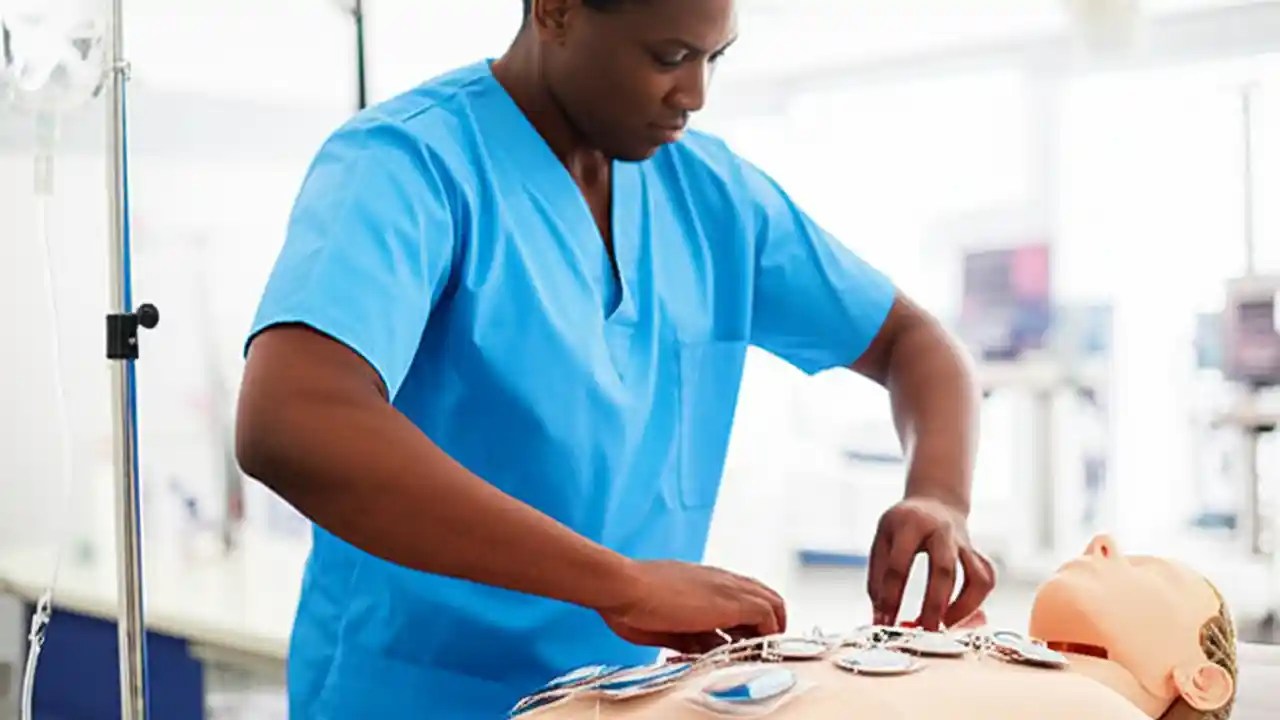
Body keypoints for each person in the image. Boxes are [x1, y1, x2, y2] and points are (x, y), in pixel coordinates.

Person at [234, 0, 994, 716]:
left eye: (713, 58)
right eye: (668, 56)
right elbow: (292, 422)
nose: (693, 93)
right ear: (556, 9)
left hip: (622, 700)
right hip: (417, 693)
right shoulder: (407, 165)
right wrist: (619, 585)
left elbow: (914, 343)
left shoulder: (712, 194)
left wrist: (939, 497)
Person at [521, 534, 1238, 719]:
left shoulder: (1100, 710)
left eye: (1146, 568)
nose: (1104, 542)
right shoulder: (1008, 677)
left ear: (1200, 681)